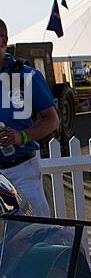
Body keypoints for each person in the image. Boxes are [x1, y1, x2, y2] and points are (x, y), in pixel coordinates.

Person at [0, 17, 60, 215]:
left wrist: (21, 136)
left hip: (21, 170)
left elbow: (52, 119)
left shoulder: (27, 75)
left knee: (36, 234)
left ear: (2, 41)